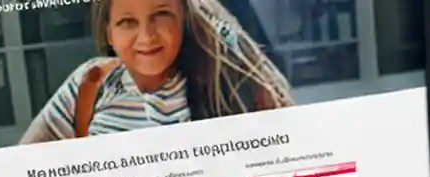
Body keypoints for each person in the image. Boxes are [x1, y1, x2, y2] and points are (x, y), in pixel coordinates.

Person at [21, 0, 292, 143]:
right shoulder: (91, 83)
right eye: (127, 22)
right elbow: (24, 167)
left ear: (182, 19)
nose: (146, 36)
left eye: (160, 15)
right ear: (108, 33)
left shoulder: (222, 78)